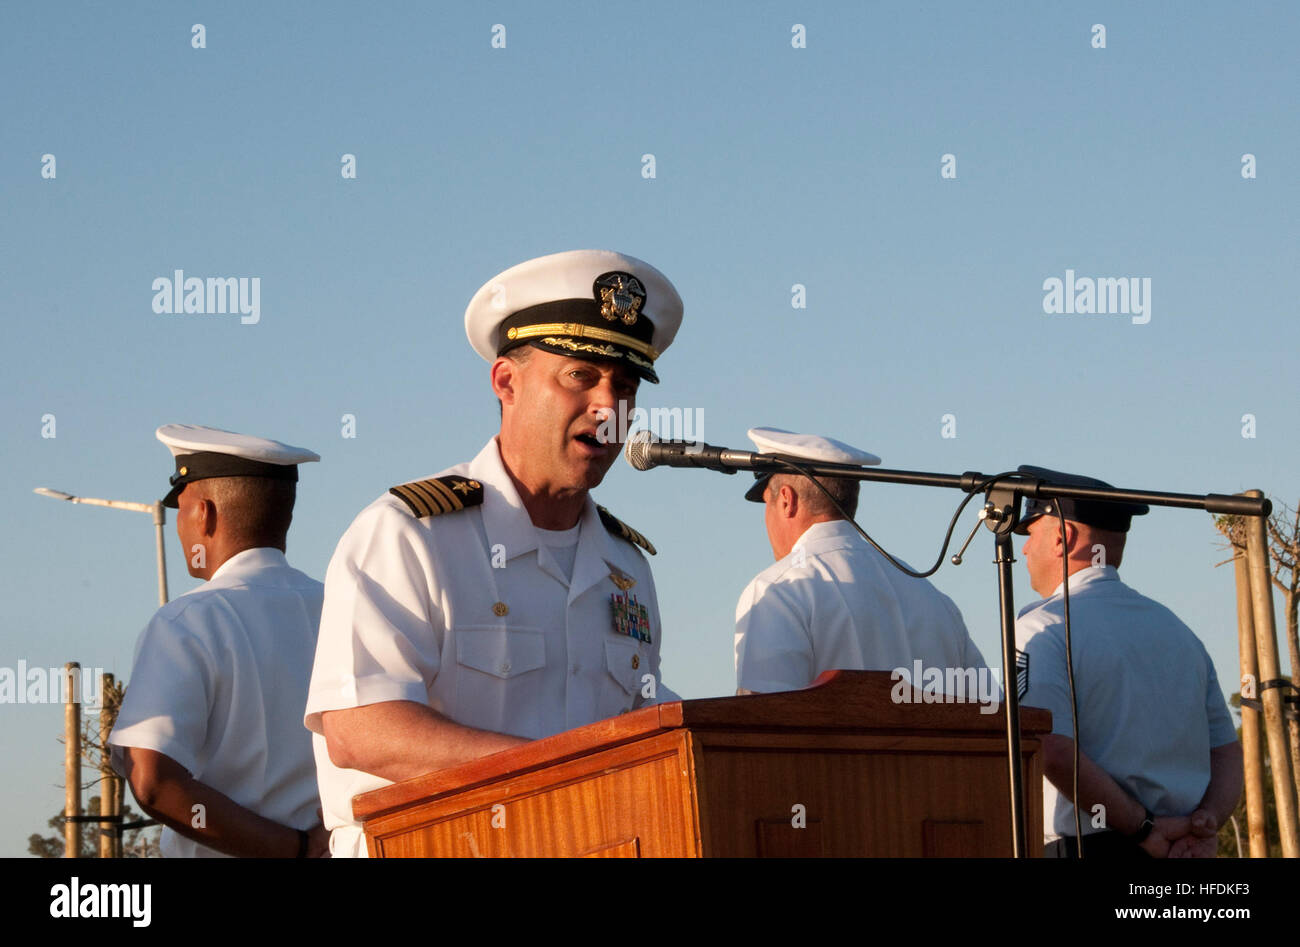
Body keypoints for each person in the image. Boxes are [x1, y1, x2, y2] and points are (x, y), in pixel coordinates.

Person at [305, 250, 683, 857]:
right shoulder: (410, 534)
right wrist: (562, 778)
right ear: (506, 381)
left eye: (626, 386)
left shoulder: (627, 567)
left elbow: (642, 720)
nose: (608, 408)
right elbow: (361, 730)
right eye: (580, 377)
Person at [109, 424, 328, 857]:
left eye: (182, 508)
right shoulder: (343, 607)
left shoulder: (187, 621)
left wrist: (295, 850)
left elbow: (152, 782)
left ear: (205, 514)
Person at [1012, 464, 1243, 858]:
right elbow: (1225, 752)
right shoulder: (1180, 633)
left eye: (1031, 533)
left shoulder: (1045, 627)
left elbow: (1049, 747)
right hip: (1183, 848)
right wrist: (1204, 822)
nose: (1024, 549)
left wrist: (1144, 830)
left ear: (1062, 538)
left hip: (1091, 846)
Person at [734, 428, 988, 696]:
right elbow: (993, 715)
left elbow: (765, 722)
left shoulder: (779, 591)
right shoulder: (935, 599)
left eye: (766, 503)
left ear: (787, 500)